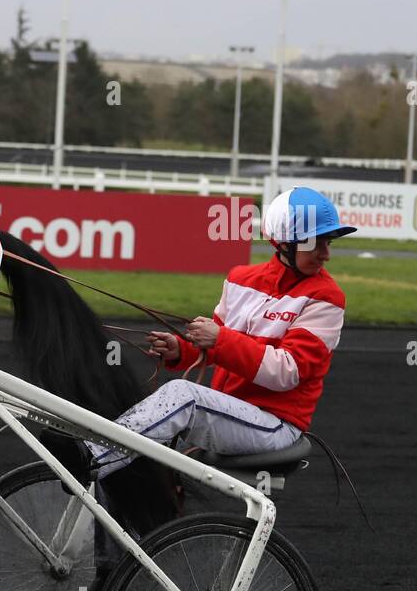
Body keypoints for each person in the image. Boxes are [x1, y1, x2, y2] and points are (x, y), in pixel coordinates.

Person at [86, 185, 353, 484]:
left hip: (275, 426)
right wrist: (181, 350)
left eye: (328, 242)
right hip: (229, 413)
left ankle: (89, 458)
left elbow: (286, 372)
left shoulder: (325, 298)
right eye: (316, 243)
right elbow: (212, 348)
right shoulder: (240, 279)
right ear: (284, 243)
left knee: (183, 396)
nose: (326, 254)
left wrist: (220, 339)